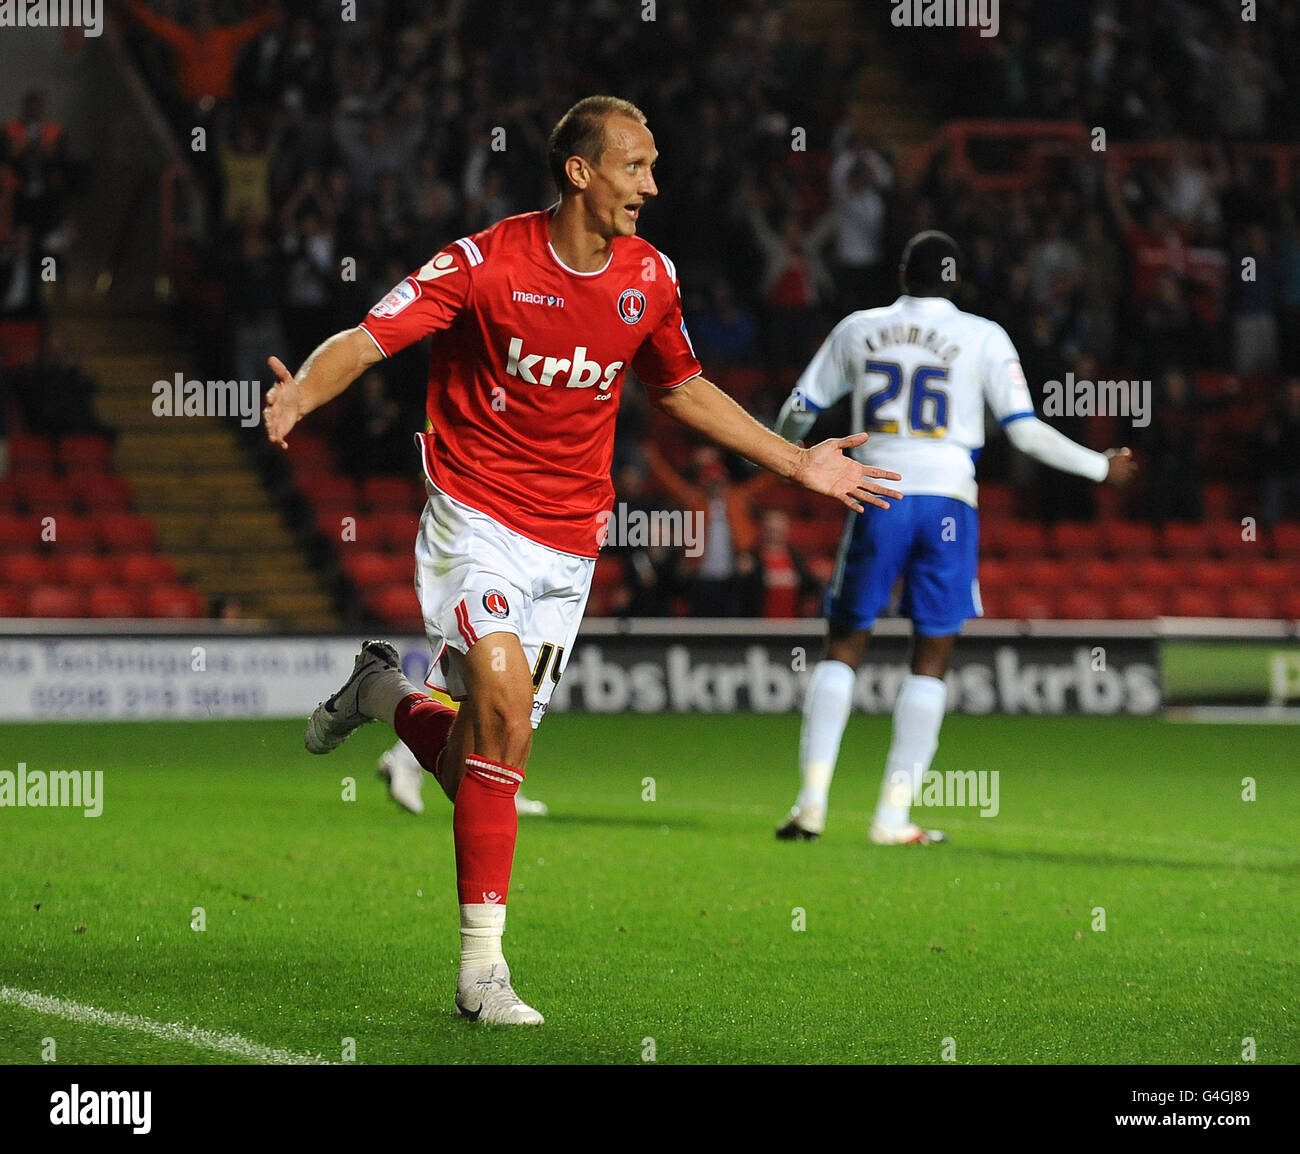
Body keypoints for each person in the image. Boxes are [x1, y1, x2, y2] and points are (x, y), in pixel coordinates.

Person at [262, 96, 902, 1025]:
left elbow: (679, 387)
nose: (650, 184)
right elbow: (368, 338)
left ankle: (379, 693)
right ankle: (482, 972)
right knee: (504, 703)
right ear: (580, 172)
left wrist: (797, 460)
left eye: (651, 167)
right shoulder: (483, 263)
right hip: (473, 517)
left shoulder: (651, 276)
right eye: (634, 166)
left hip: (568, 544)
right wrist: (300, 398)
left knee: (489, 754)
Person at [774, 230, 1136, 846]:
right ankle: (891, 818)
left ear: (900, 272)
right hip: (947, 501)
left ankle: (810, 806)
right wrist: (1101, 466)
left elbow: (800, 408)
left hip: (877, 492)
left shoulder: (859, 327)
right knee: (932, 655)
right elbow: (1024, 432)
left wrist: (790, 458)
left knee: (844, 645)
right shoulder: (984, 336)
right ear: (957, 281)